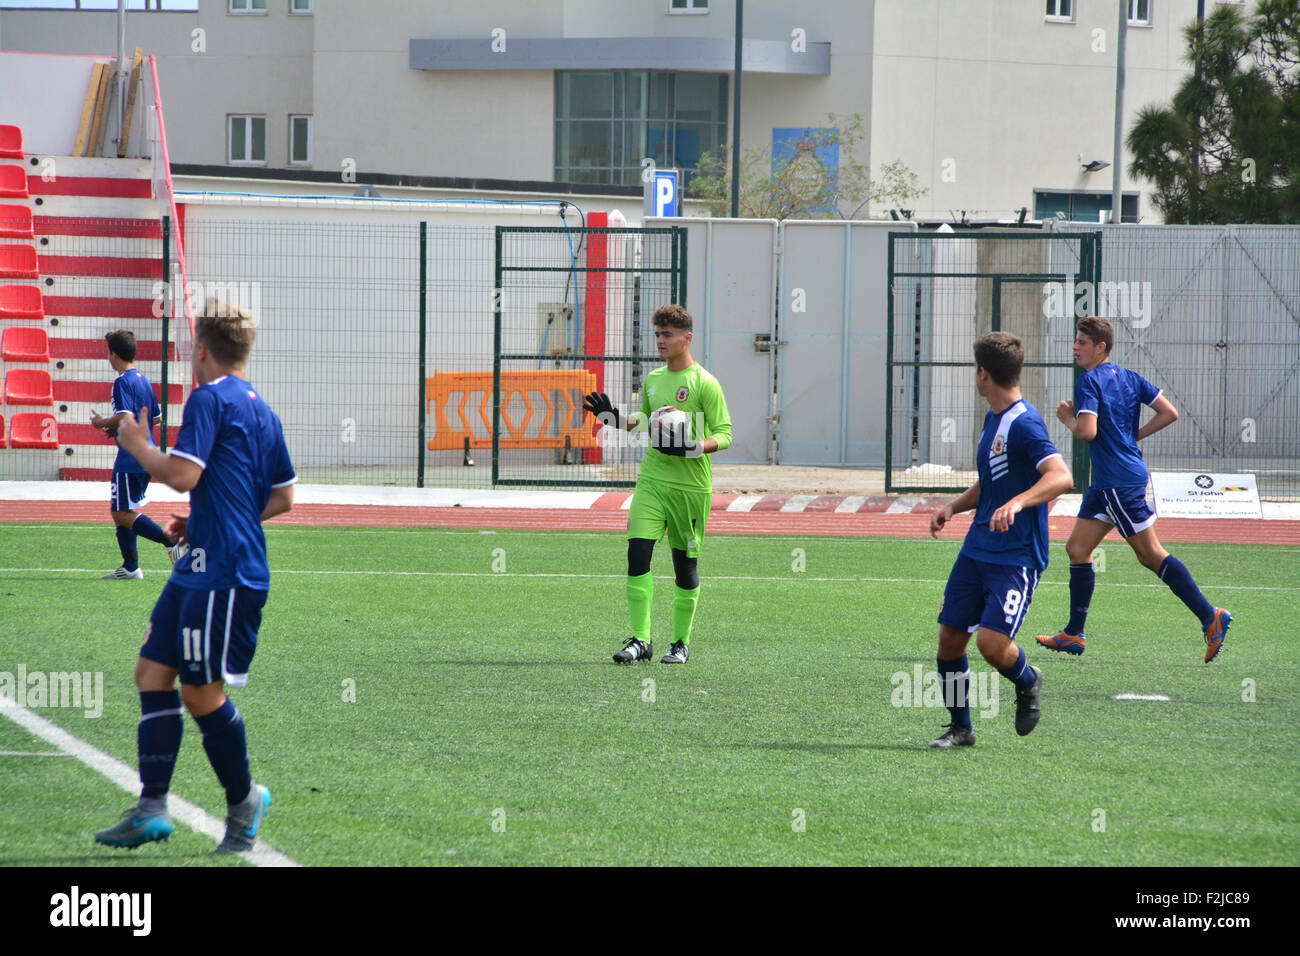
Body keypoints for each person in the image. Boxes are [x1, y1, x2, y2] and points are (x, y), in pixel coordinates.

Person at [94, 299, 295, 854]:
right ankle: (152, 807)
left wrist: (137, 444)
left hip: (226, 574)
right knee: (151, 671)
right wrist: (211, 516)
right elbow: (282, 497)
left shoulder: (208, 398)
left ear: (201, 352)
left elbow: (181, 475)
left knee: (199, 693)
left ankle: (244, 801)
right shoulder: (264, 411)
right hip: (200, 565)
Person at [1036, 316, 1231, 662]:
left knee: (1150, 554)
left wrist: (1067, 417)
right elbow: (1169, 412)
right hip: (1111, 482)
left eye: (1082, 342)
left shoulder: (1089, 381)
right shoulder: (1129, 377)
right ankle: (1074, 633)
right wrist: (1133, 437)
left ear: (1101, 347)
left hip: (1118, 483)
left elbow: (1087, 431)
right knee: (1077, 548)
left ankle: (1209, 616)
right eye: (1076, 341)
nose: (1075, 347)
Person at [928, 332, 1074, 748]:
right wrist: (953, 507)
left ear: (983, 373)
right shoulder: (994, 419)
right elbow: (992, 479)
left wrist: (1018, 503)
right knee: (950, 639)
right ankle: (961, 728)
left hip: (1016, 556)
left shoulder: (1025, 422)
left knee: (993, 645)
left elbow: (1061, 476)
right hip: (977, 548)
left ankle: (1028, 681)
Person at [583, 304, 732, 665]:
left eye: (667, 335)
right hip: (652, 481)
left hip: (691, 489)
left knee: (685, 566)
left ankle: (680, 643)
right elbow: (644, 421)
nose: (660, 341)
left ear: (687, 338)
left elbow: (724, 434)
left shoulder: (705, 383)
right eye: (657, 335)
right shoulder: (652, 380)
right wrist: (613, 417)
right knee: (637, 554)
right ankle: (641, 640)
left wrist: (696, 447)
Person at [90, 330, 177, 579]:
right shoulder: (143, 380)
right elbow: (157, 418)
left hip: (131, 457)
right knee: (122, 510)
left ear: (113, 355)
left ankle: (169, 539)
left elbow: (125, 415)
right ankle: (130, 567)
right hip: (144, 455)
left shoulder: (122, 382)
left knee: (122, 513)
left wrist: (102, 423)